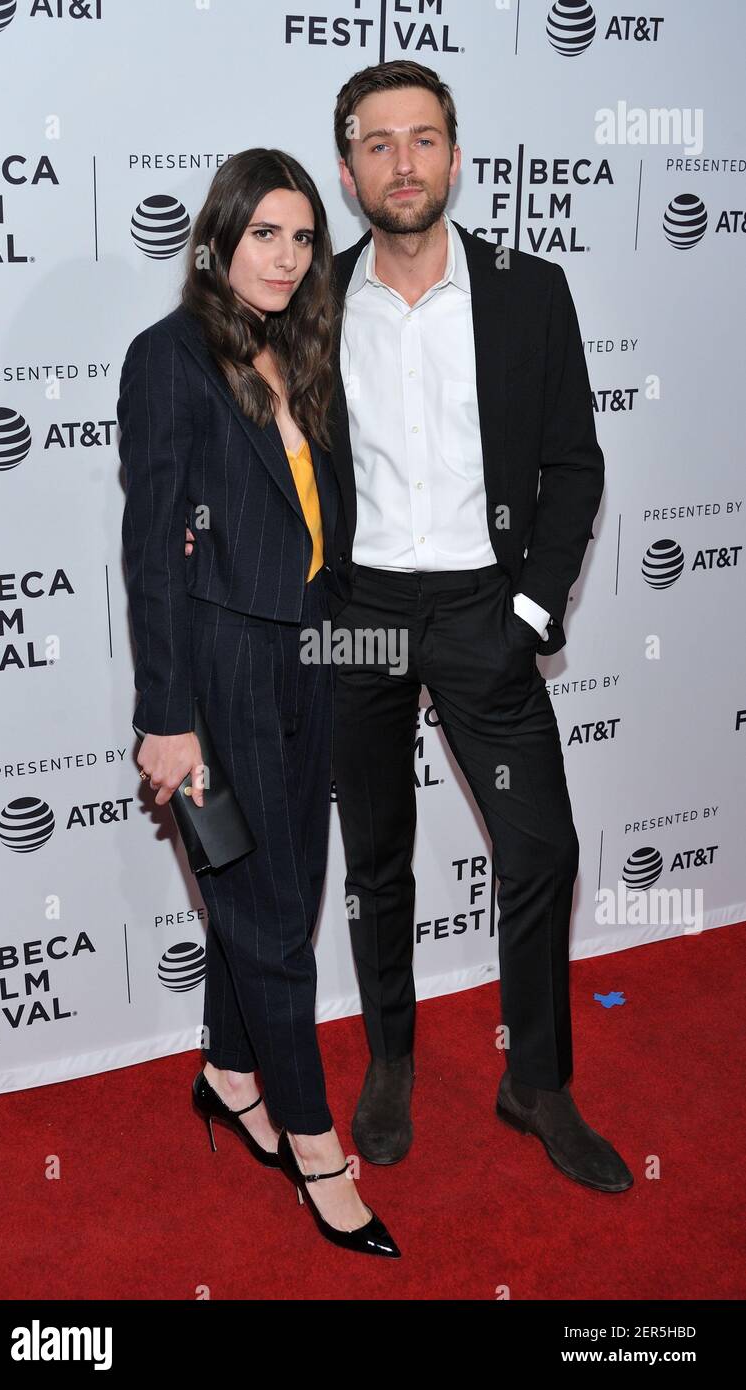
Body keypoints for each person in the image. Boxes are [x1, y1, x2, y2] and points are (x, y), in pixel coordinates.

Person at [323, 60, 632, 1191]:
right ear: (348, 168)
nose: (400, 161)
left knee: (538, 847)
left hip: (478, 612)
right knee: (376, 854)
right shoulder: (313, 301)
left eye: (421, 139)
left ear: (454, 156)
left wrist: (525, 612)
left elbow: (572, 463)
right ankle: (391, 1058)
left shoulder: (525, 290)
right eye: (375, 142)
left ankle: (535, 1081)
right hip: (355, 610)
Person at [118, 148, 399, 1257]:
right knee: (274, 922)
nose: (283, 257)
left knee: (278, 897)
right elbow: (149, 554)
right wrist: (165, 714)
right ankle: (313, 1144)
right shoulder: (167, 359)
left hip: (311, 655)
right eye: (261, 235)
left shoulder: (300, 349)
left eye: (298, 236)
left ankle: (228, 1070)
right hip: (219, 672)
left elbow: (319, 522)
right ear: (218, 239)